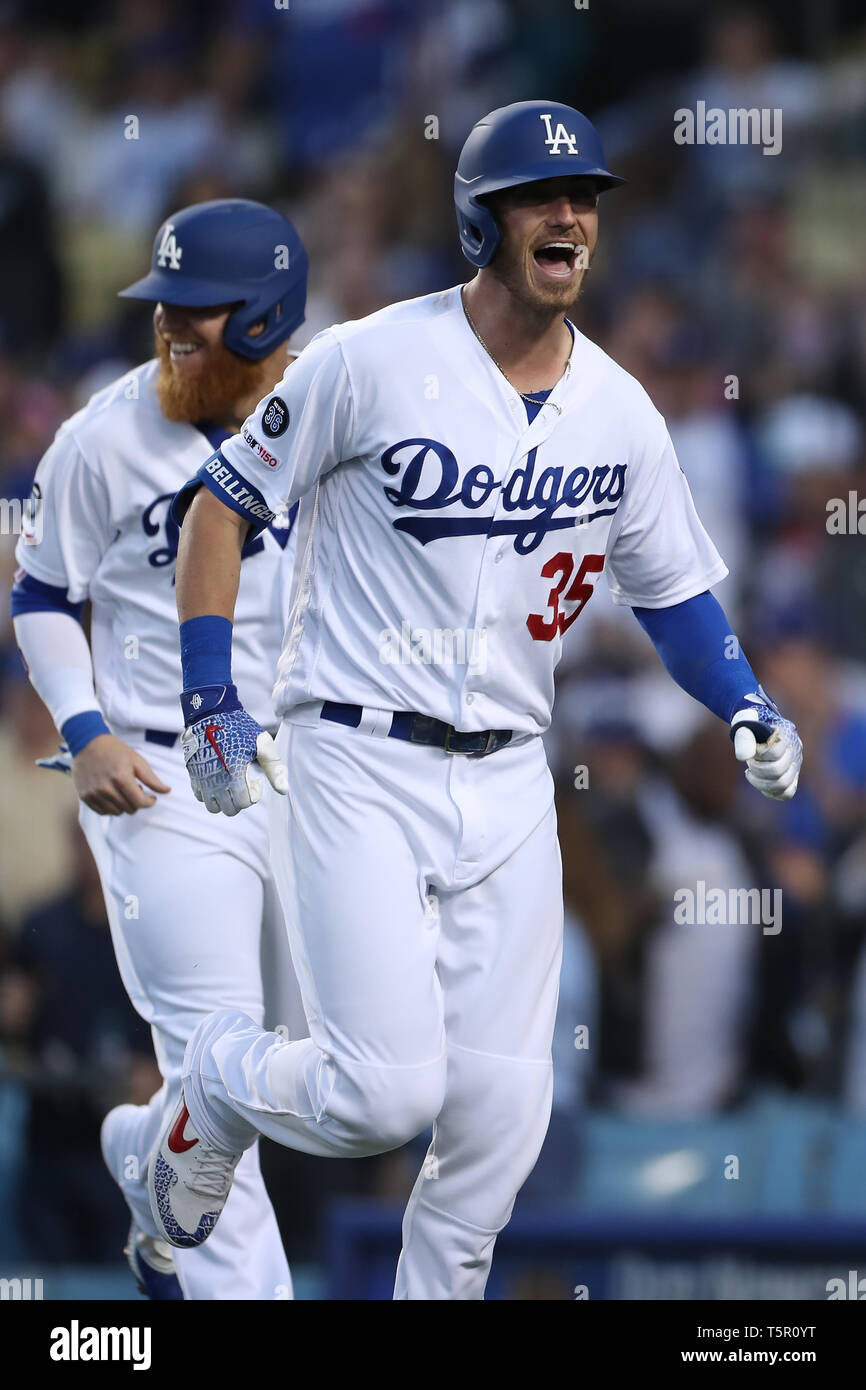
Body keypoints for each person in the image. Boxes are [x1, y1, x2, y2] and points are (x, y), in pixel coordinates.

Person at [150, 103, 802, 1299]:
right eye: (539, 196)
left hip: (510, 775)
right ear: (476, 218)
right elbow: (216, 508)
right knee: (378, 1095)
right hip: (355, 751)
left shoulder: (617, 408)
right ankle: (206, 1090)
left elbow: (671, 592)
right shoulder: (367, 359)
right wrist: (206, 697)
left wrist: (745, 698)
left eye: (584, 197)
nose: (569, 215)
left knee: (502, 1125)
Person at [11, 198, 308, 1300]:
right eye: (163, 311)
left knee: (340, 1074)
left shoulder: (339, 412)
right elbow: (40, 590)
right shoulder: (102, 433)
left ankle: (150, 1152)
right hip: (161, 776)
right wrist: (81, 731)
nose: (171, 331)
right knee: (217, 1083)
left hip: (319, 774)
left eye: (198, 314)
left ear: (269, 316)